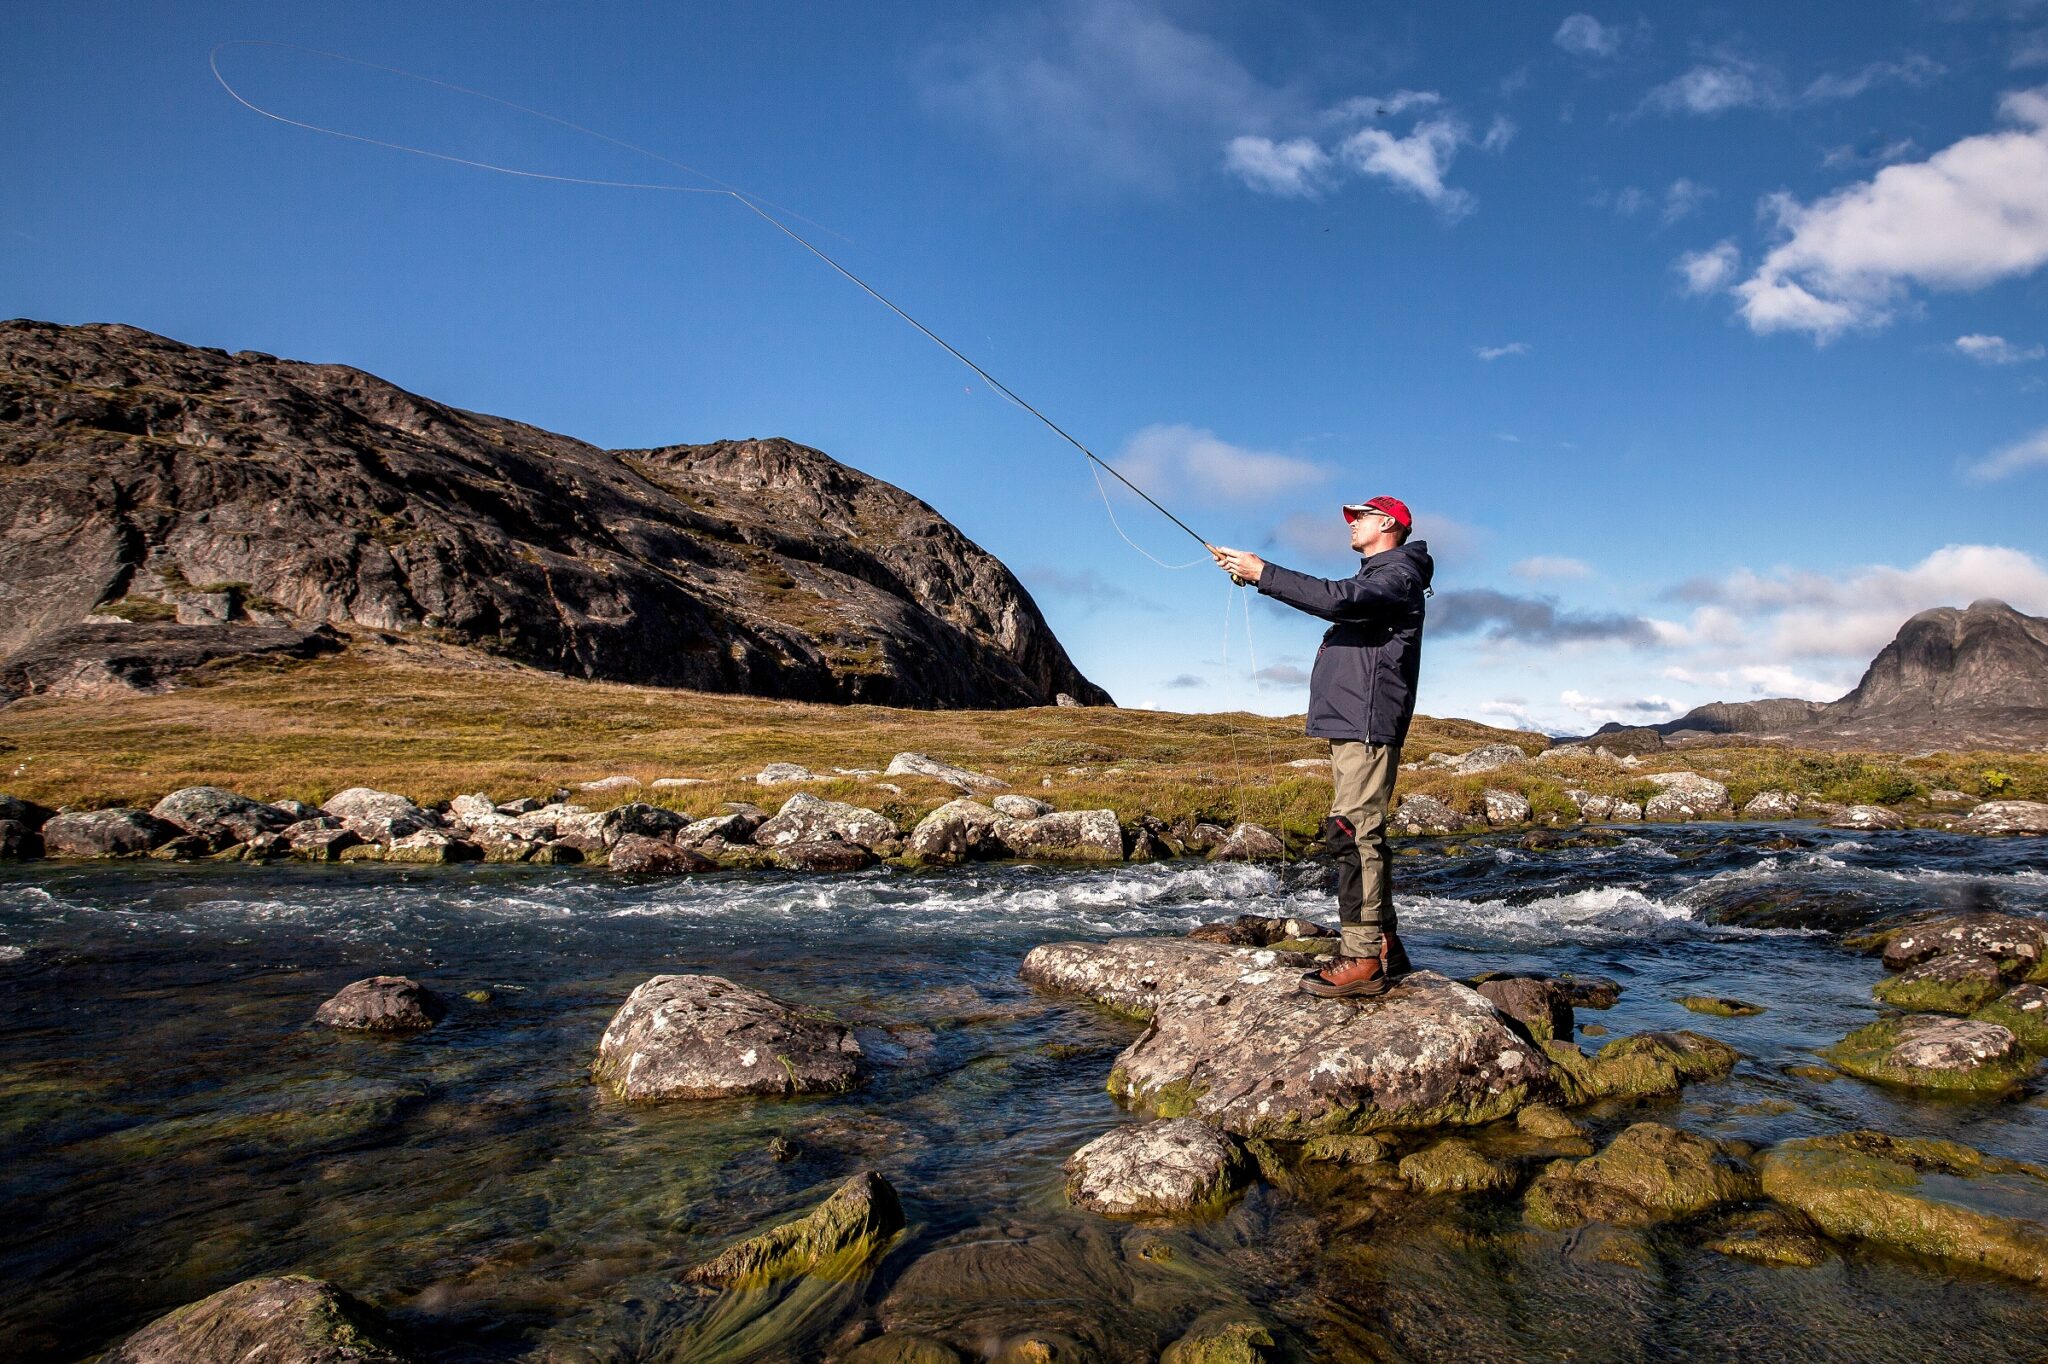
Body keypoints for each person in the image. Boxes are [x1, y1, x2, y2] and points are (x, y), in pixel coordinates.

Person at [1209, 496, 1433, 999]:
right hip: (1355, 722)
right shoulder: (1383, 576)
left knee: (1355, 833)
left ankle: (1361, 958)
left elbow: (1338, 599)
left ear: (1387, 524)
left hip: (1368, 724)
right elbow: (1344, 599)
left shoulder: (1397, 575)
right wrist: (1256, 575)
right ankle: (1384, 945)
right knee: (1356, 830)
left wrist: (1263, 572)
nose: (1351, 525)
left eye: (1360, 517)